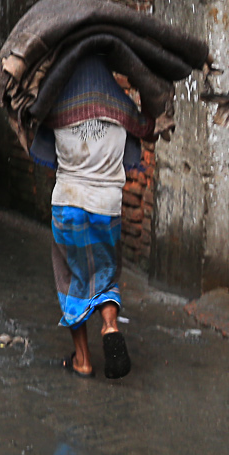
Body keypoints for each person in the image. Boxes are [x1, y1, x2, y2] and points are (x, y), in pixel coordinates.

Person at [41, 55, 152, 381]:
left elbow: (39, 138)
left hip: (69, 204)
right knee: (104, 273)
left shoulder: (59, 108)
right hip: (108, 206)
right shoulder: (122, 111)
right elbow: (140, 139)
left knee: (70, 277)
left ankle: (83, 359)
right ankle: (109, 324)